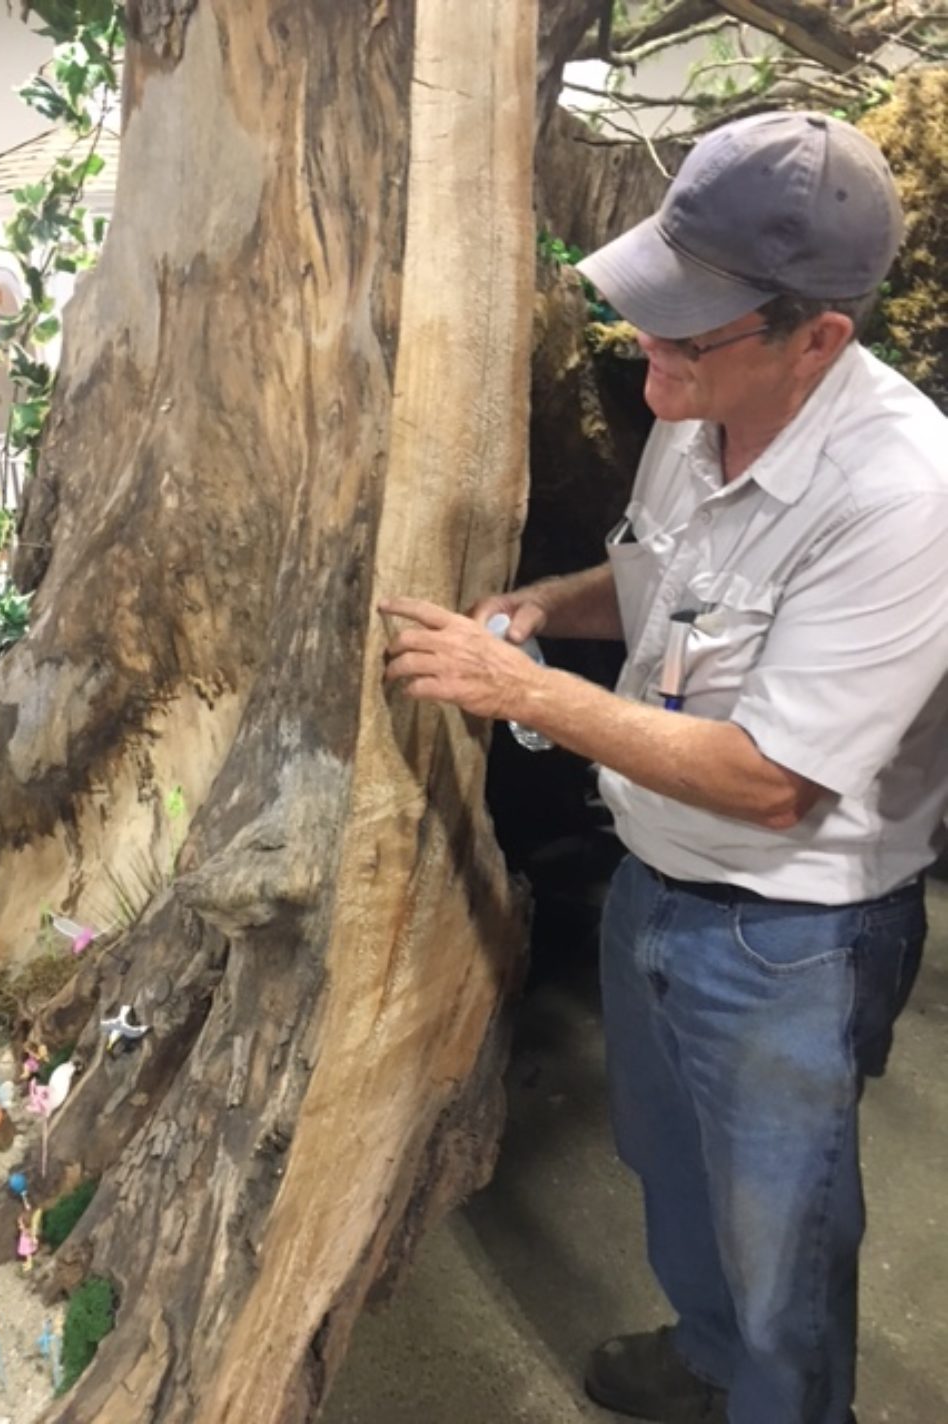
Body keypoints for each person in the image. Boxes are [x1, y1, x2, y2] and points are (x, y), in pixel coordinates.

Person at [381, 110, 948, 1424]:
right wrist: (539, 610)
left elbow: (775, 782)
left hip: (792, 933)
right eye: (653, 308)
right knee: (672, 1171)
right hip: (656, 878)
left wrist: (523, 694)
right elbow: (654, 590)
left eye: (689, 332)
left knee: (782, 1240)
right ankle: (706, 1362)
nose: (651, 350)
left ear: (818, 338)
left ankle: (782, 1404)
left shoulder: (901, 496)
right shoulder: (691, 409)